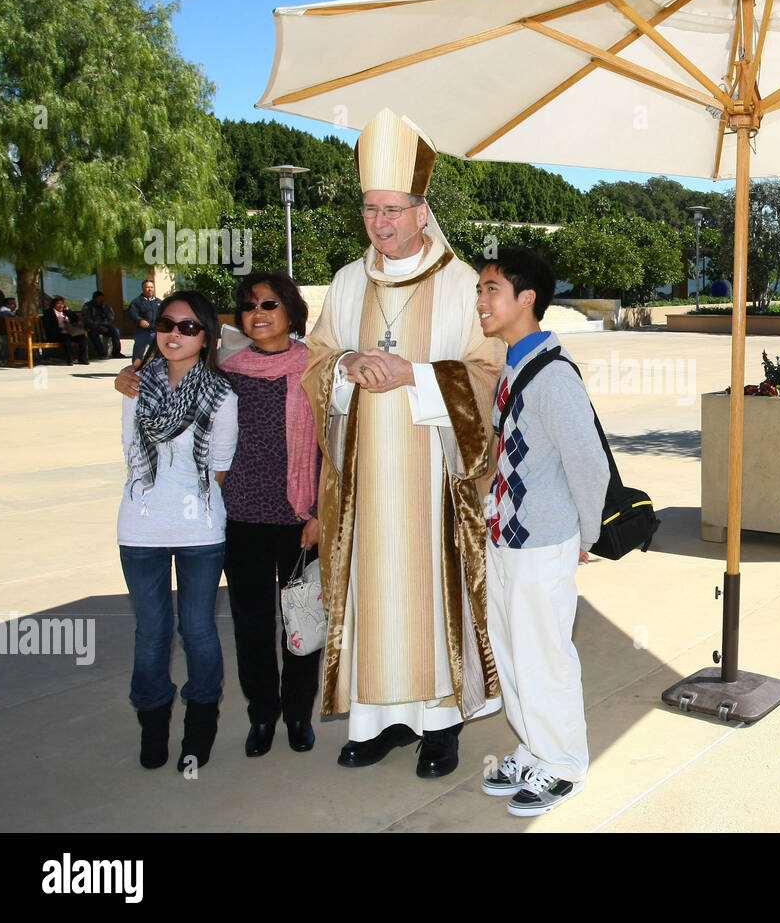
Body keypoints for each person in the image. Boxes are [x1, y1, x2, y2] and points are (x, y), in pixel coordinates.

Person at [301, 107, 504, 779]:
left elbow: (488, 374)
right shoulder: (346, 281)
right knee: (368, 596)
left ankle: (439, 726)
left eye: (393, 209)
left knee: (427, 597)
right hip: (362, 481)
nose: (380, 223)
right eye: (370, 210)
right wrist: (345, 368)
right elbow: (314, 360)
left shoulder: (461, 284)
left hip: (431, 483)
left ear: (423, 210)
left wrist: (414, 375)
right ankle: (373, 721)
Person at [477, 248, 608, 816]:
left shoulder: (552, 374)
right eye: (480, 291)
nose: (481, 301)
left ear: (526, 299)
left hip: (543, 541)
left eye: (491, 290)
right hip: (506, 536)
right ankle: (536, 748)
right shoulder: (514, 362)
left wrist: (585, 535)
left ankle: (565, 765)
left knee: (545, 656)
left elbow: (589, 463)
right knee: (511, 651)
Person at [117, 291, 237, 774]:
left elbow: (221, 467)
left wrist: (185, 497)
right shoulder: (134, 386)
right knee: (152, 633)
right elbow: (131, 451)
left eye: (188, 328)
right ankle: (153, 725)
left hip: (200, 528)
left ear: (206, 336)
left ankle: (200, 728)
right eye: (167, 324)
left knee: (198, 630)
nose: (174, 334)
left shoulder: (222, 393)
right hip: (140, 527)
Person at [219, 274, 322, 757]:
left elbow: (333, 447)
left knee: (302, 621)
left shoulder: (316, 368)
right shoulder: (226, 370)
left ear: (291, 312)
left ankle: (299, 713)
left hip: (299, 519)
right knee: (253, 624)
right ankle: (262, 714)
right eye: (247, 307)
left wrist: (321, 512)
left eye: (269, 304)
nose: (257, 314)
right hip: (242, 519)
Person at [44, 295, 90, 365]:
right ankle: (69, 359)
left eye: (62, 304)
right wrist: (60, 330)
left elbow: (76, 319)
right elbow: (49, 326)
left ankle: (83, 359)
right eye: (58, 304)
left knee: (83, 338)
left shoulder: (65, 312)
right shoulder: (49, 313)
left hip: (69, 333)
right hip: (56, 334)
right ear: (54, 305)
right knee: (66, 337)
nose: (61, 305)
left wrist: (68, 311)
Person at [82, 290, 124, 360]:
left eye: (102, 299)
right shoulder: (87, 306)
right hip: (93, 326)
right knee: (93, 334)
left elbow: (111, 317)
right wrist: (99, 327)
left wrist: (105, 308)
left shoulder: (105, 306)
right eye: (99, 299)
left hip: (105, 325)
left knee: (116, 331)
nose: (101, 300)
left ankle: (116, 352)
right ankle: (101, 353)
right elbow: (87, 319)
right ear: (95, 299)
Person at [128, 280, 161, 361]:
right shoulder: (137, 302)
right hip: (142, 332)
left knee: (159, 354)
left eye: (151, 287)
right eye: (147, 287)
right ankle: (136, 371)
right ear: (143, 289)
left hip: (156, 331)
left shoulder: (159, 302)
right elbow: (132, 314)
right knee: (138, 354)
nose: (149, 289)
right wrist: (140, 321)